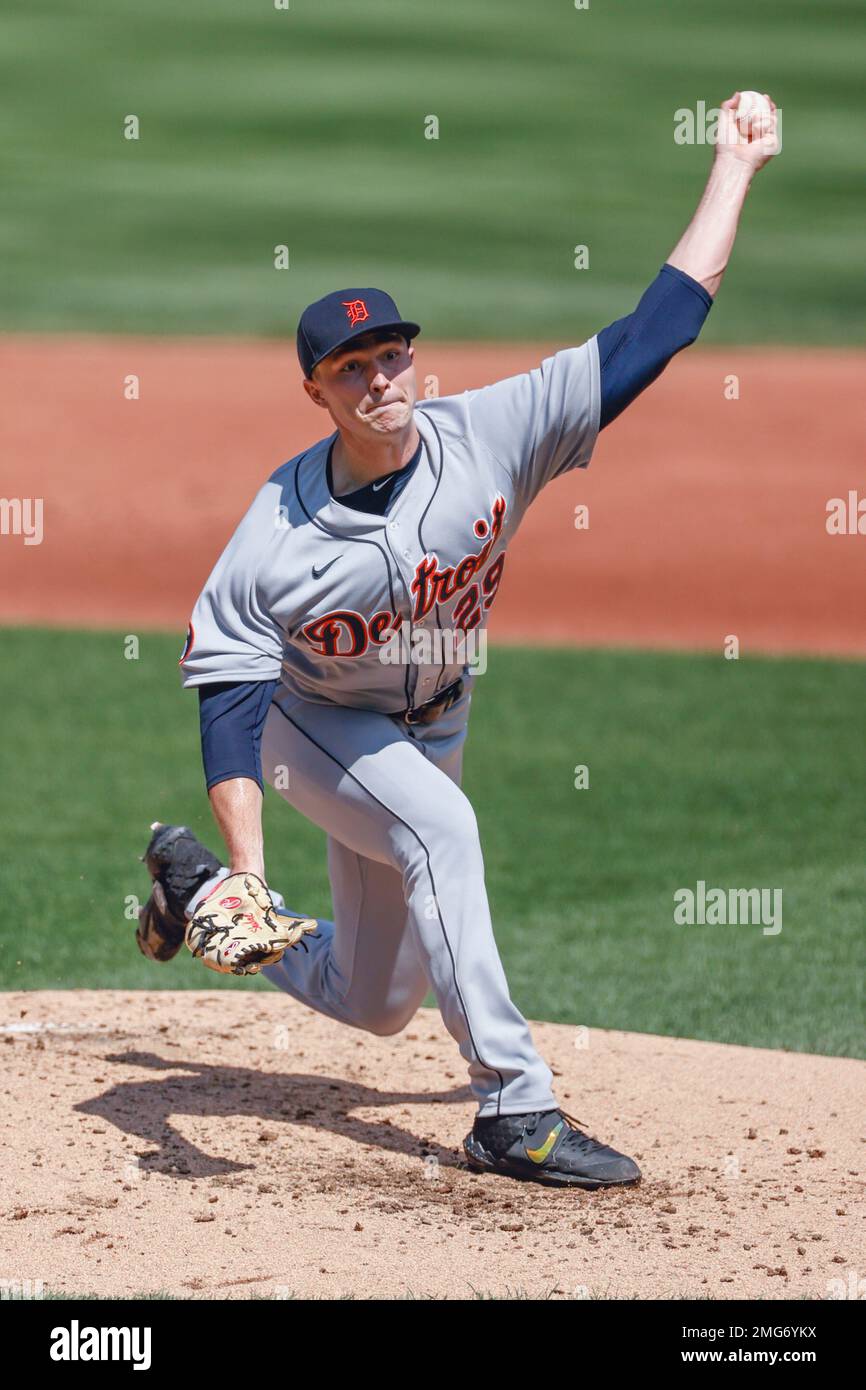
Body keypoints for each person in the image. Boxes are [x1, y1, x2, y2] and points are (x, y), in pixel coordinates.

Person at [139, 94, 778, 1188]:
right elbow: (229, 700)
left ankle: (187, 893)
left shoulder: (490, 434)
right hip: (315, 725)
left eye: (391, 353)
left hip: (434, 716)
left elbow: (660, 324)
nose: (381, 377)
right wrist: (254, 855)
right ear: (315, 392)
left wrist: (732, 165)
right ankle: (512, 1109)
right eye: (352, 367)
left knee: (375, 1001)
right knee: (442, 830)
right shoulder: (274, 534)